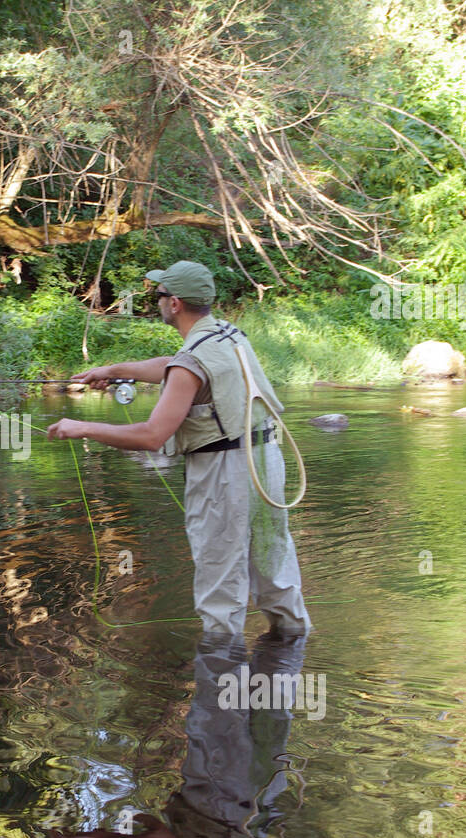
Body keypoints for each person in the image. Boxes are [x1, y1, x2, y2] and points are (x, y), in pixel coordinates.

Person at [45, 260, 310, 638]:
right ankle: (288, 660)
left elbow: (152, 435)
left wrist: (82, 427)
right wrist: (113, 369)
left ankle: (220, 679)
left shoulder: (193, 360)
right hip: (265, 461)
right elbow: (173, 365)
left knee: (220, 587)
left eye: (161, 295)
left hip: (225, 474)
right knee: (273, 568)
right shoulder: (226, 334)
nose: (157, 301)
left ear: (175, 304)